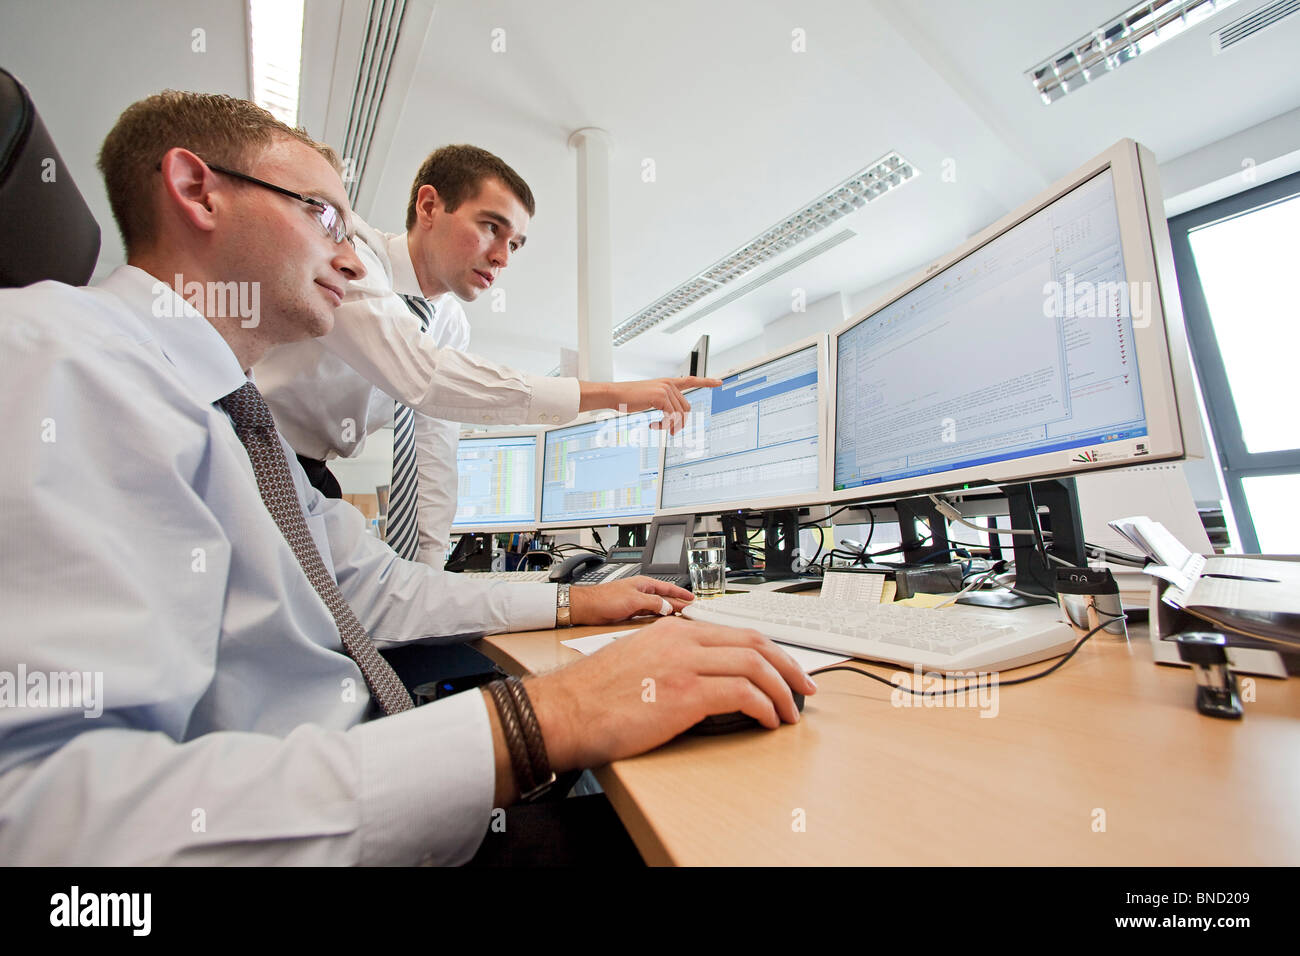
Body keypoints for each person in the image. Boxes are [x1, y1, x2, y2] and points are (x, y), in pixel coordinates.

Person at [0, 91, 814, 865]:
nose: (352, 258)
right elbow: (45, 823)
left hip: (333, 787)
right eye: (323, 216)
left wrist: (571, 600)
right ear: (197, 191)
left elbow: (377, 587)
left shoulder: (236, 427)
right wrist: (543, 720)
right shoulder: (59, 359)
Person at [256, 145, 720, 565]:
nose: (503, 257)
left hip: (313, 477)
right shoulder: (355, 259)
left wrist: (428, 573)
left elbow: (432, 452)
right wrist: (611, 394)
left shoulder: (450, 322)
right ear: (429, 206)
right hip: (256, 454)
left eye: (514, 243)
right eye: (490, 228)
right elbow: (425, 378)